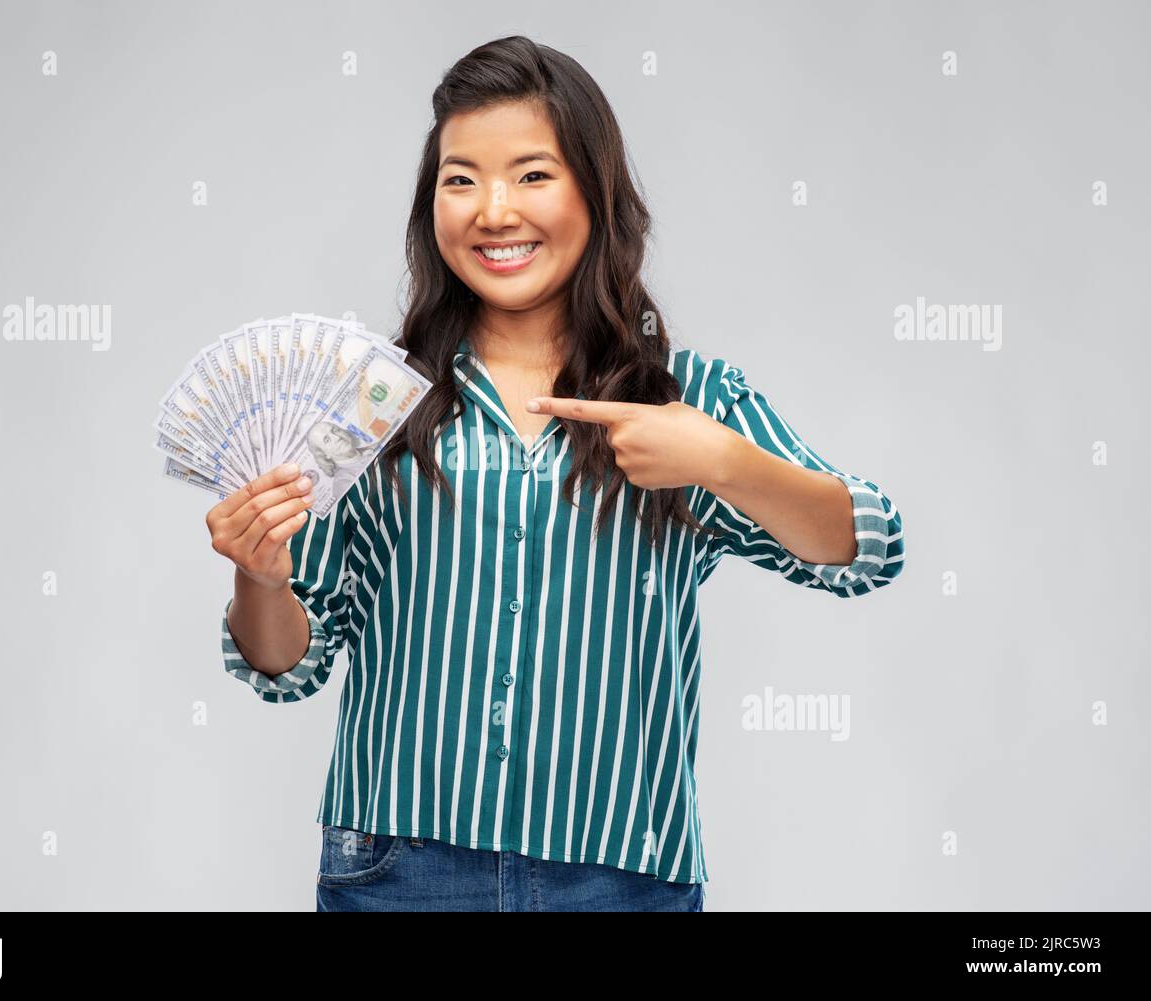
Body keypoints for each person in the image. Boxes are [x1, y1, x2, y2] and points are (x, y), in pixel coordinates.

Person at [205, 35, 905, 912]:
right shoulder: (371, 403)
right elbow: (288, 665)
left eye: (532, 174)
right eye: (461, 179)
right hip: (399, 869)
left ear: (595, 193)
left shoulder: (685, 400)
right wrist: (259, 576)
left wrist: (720, 459)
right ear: (432, 205)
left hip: (620, 873)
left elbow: (868, 547)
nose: (494, 210)